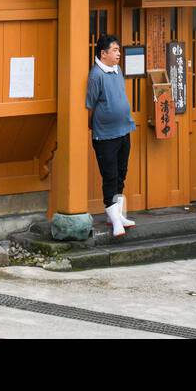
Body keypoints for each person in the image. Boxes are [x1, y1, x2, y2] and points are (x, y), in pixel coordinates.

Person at [85, 33, 136, 238]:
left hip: (124, 130)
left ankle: (117, 214)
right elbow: (90, 105)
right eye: (114, 50)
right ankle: (114, 219)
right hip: (105, 135)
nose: (118, 54)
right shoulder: (96, 75)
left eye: (118, 50)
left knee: (121, 173)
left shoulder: (117, 70)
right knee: (110, 175)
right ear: (103, 53)